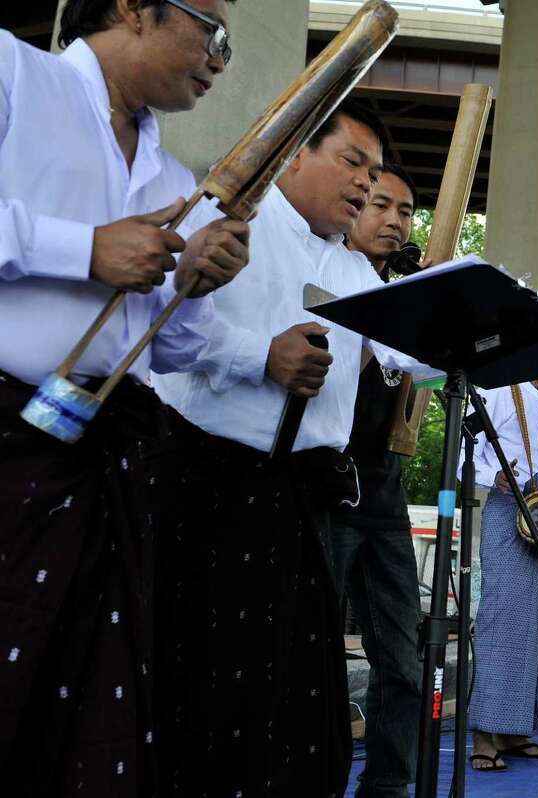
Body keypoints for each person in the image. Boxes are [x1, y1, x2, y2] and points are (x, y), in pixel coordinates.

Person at [150, 101, 437, 797]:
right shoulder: (230, 216)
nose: (366, 184)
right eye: (353, 163)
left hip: (307, 498)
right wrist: (260, 356)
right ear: (295, 155)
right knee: (206, 683)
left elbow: (414, 353)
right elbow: (159, 326)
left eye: (374, 174)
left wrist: (482, 326)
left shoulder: (355, 272)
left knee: (295, 694)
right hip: (210, 483)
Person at [0, 1, 250, 793]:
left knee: (92, 701)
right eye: (212, 31)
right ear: (135, 8)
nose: (220, 60)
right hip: (10, 440)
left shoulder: (175, 180)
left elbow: (170, 350)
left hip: (112, 454)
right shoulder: (14, 73)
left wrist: (195, 286)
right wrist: (84, 249)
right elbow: (95, 258)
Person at [328, 163, 422, 798]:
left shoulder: (406, 297)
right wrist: (381, 323)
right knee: (313, 649)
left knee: (403, 659)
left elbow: (431, 382)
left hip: (385, 496)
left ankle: (388, 783)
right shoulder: (326, 281)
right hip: (329, 490)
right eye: (380, 205)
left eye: (406, 212)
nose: (394, 220)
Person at [464, 378, 538, 771]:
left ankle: (513, 732)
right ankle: (483, 736)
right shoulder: (495, 390)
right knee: (503, 625)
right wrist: (494, 477)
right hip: (509, 513)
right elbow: (464, 453)